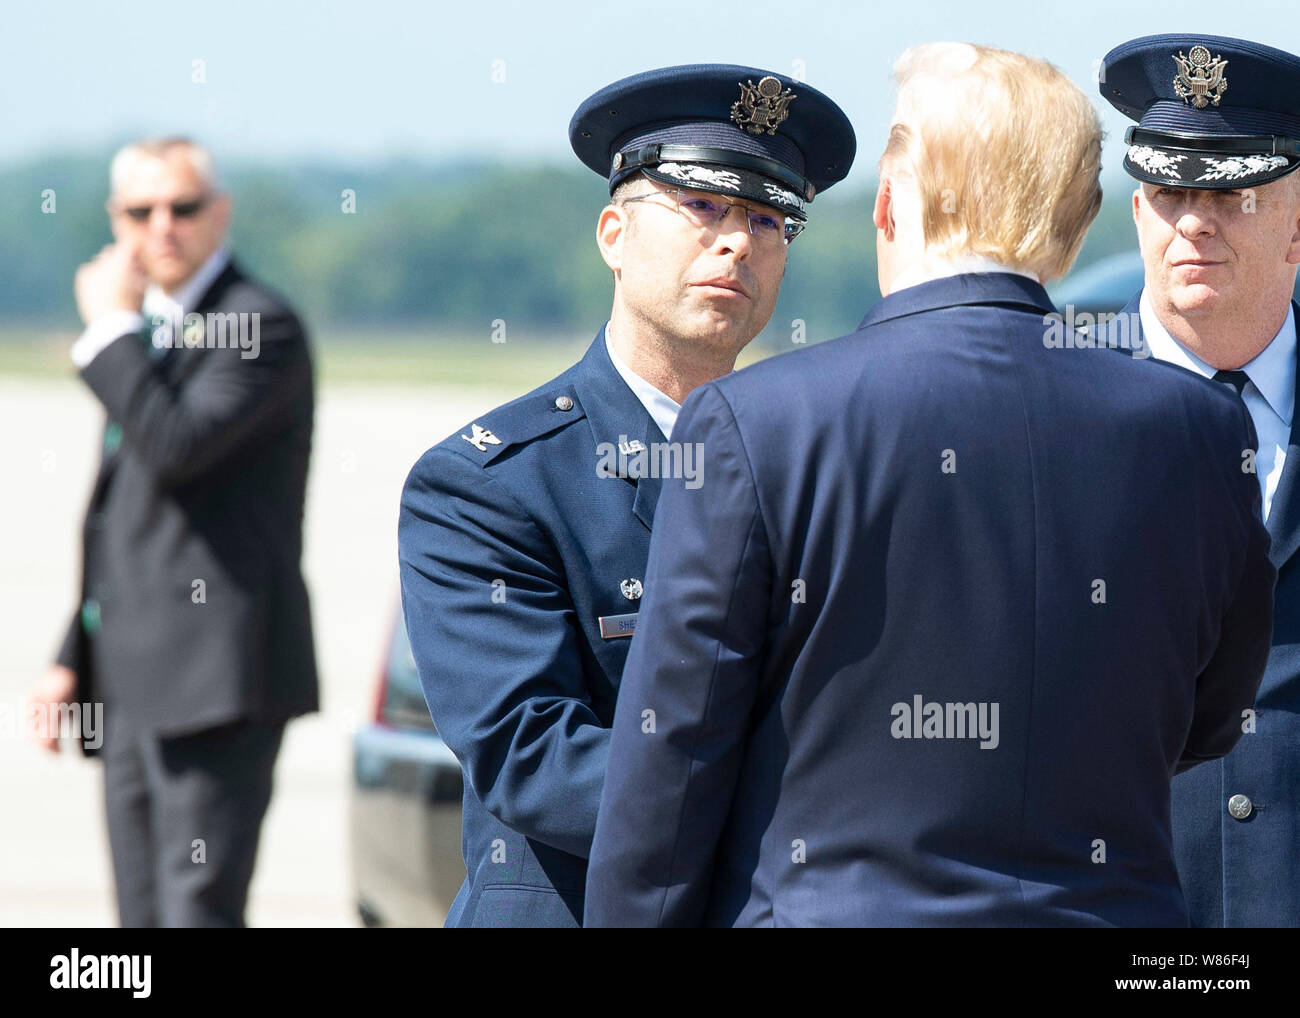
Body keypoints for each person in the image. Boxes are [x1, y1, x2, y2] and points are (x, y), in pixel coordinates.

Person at [584, 42, 1275, 928]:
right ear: (1081, 217)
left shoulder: (761, 422)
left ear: (886, 205)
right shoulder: (1204, 430)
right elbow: (1211, 720)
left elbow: (670, 768)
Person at [398, 65, 855, 927]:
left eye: (768, 220)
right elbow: (529, 755)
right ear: (613, 233)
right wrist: (805, 806)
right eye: (702, 208)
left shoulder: (823, 463)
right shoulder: (490, 486)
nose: (737, 244)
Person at [28, 137, 318, 927]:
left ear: (218, 213)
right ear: (115, 221)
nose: (163, 227)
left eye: (183, 207)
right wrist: (71, 653)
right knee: (141, 919)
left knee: (195, 911)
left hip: (217, 678)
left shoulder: (259, 325)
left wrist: (109, 333)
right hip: (127, 680)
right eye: (139, 211)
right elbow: (128, 517)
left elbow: (177, 446)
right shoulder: (150, 333)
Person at [1096, 34, 1300, 927]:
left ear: (1298, 219)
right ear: (1138, 210)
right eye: (1170, 190)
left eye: (1230, 191)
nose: (1194, 220)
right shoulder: (1043, 403)